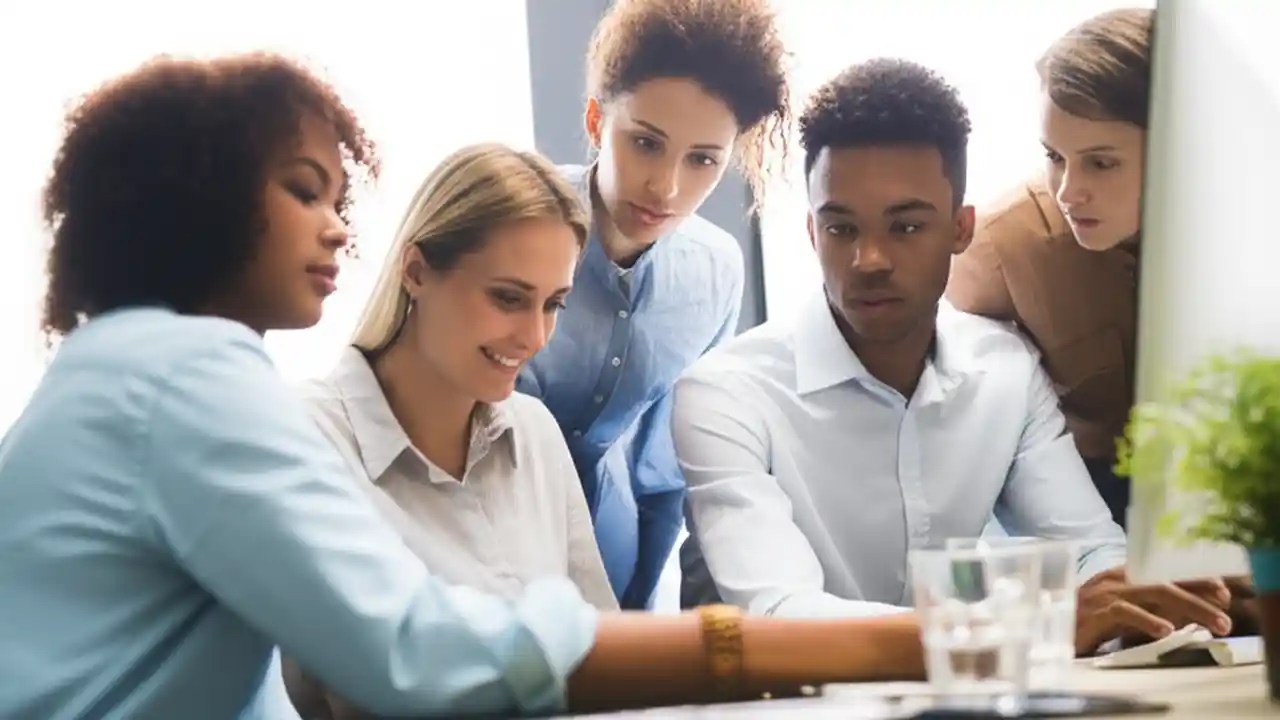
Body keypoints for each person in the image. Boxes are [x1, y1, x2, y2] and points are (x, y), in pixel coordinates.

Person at [0, 51, 930, 720]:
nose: (337, 228)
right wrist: (883, 643)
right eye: (304, 190)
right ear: (193, 195)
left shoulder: (123, 365)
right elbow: (411, 653)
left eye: (337, 198)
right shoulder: (183, 378)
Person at [671, 58, 1236, 655]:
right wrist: (1035, 623)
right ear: (813, 233)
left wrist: (1160, 598)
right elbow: (777, 614)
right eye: (842, 229)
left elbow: (1091, 553)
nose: (869, 260)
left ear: (961, 229)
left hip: (976, 691)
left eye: (906, 228)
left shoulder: (1006, 371)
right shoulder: (725, 395)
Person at [517, 0, 791, 609]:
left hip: (615, 565)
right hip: (483, 556)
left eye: (703, 160)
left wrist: (641, 614)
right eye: (645, 143)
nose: (666, 187)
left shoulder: (716, 272)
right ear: (596, 121)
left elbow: (664, 473)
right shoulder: (512, 225)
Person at [298, 143, 616, 613]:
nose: (535, 338)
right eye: (508, 298)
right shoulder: (308, 441)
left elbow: (599, 632)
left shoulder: (535, 430)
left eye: (553, 305)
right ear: (416, 271)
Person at [946, 8, 1152, 528]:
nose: (1067, 191)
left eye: (1100, 163)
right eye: (1054, 156)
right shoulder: (999, 247)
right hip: (1086, 518)